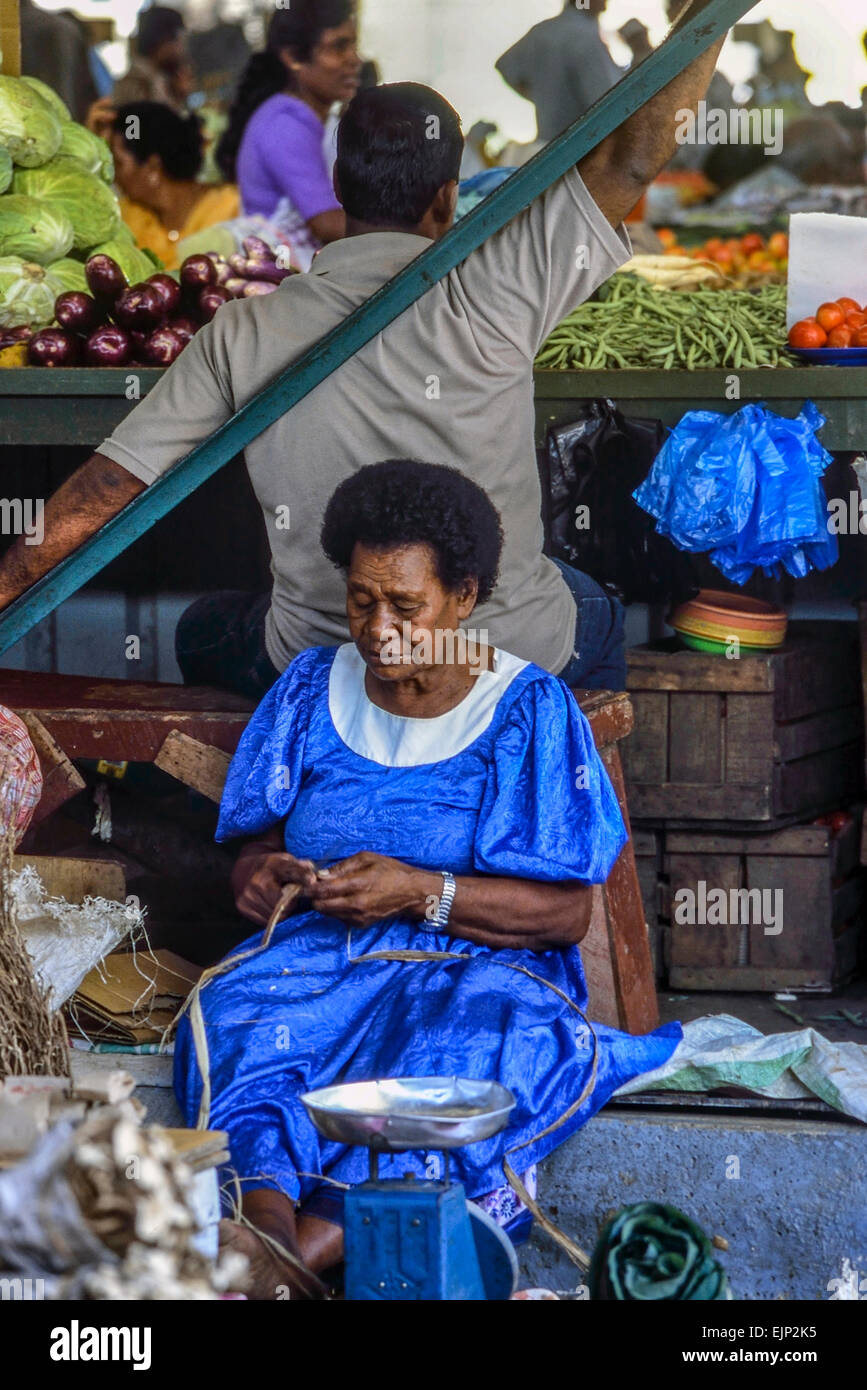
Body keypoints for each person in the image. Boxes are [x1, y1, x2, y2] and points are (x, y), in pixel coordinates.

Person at [0, 8, 729, 697]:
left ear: (340, 189)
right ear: (447, 199)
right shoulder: (505, 288)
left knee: (202, 629)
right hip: (505, 652)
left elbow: (103, 491)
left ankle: (254, 799)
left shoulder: (243, 332)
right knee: (586, 607)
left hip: (321, 658)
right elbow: (633, 160)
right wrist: (711, 15)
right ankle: (572, 799)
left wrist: (6, 589)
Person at [173, 460, 681, 1298]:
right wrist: (262, 877)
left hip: (477, 966)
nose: (378, 627)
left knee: (470, 1047)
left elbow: (562, 914)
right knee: (242, 1014)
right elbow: (253, 847)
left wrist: (418, 891)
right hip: (320, 954)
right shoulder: (308, 690)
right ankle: (255, 1230)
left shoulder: (525, 710)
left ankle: (301, 1255)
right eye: (361, 599)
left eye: (405, 604)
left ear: (462, 598)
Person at [216, 1, 360, 271]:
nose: (354, 59)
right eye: (339, 47)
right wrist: (406, 233)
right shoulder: (285, 123)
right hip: (280, 276)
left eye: (353, 45)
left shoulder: (313, 118)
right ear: (293, 57)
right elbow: (327, 224)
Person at [111, 102, 239, 270]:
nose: (114, 175)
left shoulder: (231, 208)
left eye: (119, 163)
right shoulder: (128, 215)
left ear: (152, 168)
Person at [496, 0, 622, 144]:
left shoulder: (543, 31)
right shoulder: (584, 36)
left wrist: (544, 98)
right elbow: (607, 98)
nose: (605, 3)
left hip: (549, 145)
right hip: (584, 145)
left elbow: (506, 66)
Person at [19, 0, 97, 122]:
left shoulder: (11, 29)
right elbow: (89, 93)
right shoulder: (67, 28)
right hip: (69, 128)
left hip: (26, 128)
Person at [113, 6, 193, 117]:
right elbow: (139, 131)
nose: (182, 49)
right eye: (178, 41)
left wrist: (179, 96)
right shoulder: (136, 83)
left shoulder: (160, 80)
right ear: (163, 42)